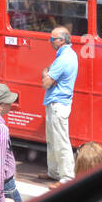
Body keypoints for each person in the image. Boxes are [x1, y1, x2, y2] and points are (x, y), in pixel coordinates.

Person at [41, 25, 78, 183]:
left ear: (61, 40)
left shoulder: (63, 59)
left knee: (61, 141)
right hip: (57, 102)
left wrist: (45, 72)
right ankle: (54, 172)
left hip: (58, 104)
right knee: (52, 139)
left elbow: (46, 83)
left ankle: (67, 177)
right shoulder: (68, 54)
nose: (50, 42)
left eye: (52, 39)